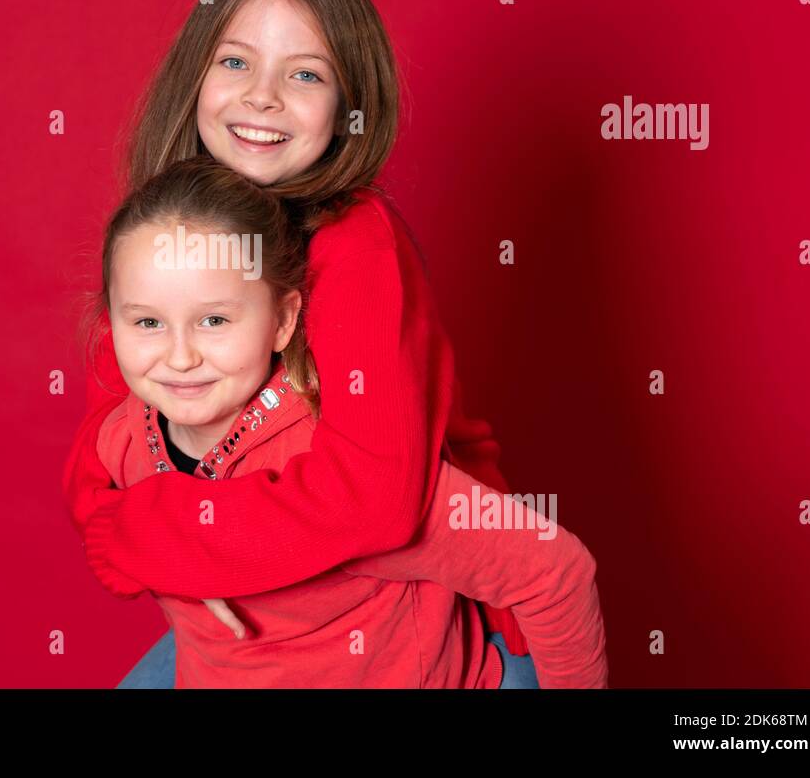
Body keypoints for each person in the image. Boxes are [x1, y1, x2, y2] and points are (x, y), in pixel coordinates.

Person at [63, 0, 535, 683]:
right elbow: (101, 453)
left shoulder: (359, 247)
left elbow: (376, 501)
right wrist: (144, 538)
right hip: (272, 615)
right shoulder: (167, 231)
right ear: (195, 74)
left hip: (428, 617)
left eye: (305, 74)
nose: (262, 96)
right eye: (235, 61)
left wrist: (173, 543)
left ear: (350, 110)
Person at [91, 157, 606, 687]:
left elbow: (555, 574)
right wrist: (178, 552)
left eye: (215, 320)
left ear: (283, 321)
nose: (179, 357)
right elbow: (114, 525)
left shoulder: (333, 464)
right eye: (148, 321)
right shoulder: (123, 442)